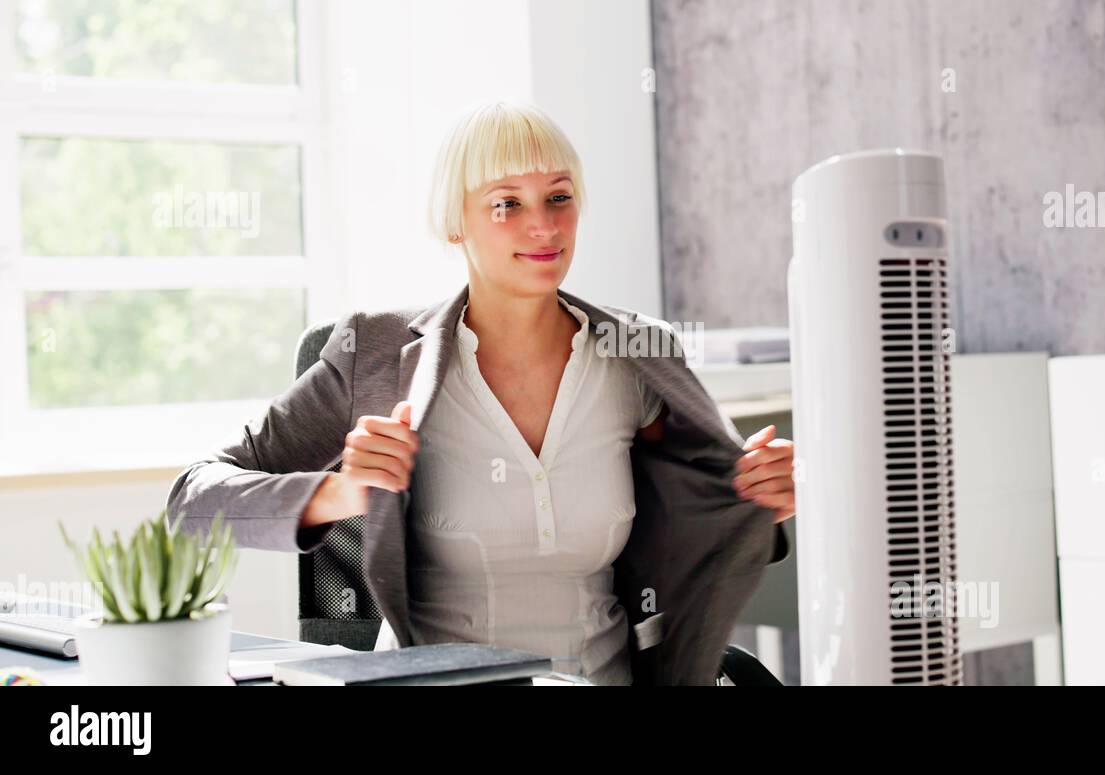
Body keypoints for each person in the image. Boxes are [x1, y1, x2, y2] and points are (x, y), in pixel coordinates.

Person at [168, 100, 796, 685]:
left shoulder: (639, 354)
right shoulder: (376, 355)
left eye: (559, 197)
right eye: (506, 204)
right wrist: (336, 494)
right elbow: (191, 503)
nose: (543, 225)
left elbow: (705, 514)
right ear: (454, 224)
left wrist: (756, 496)